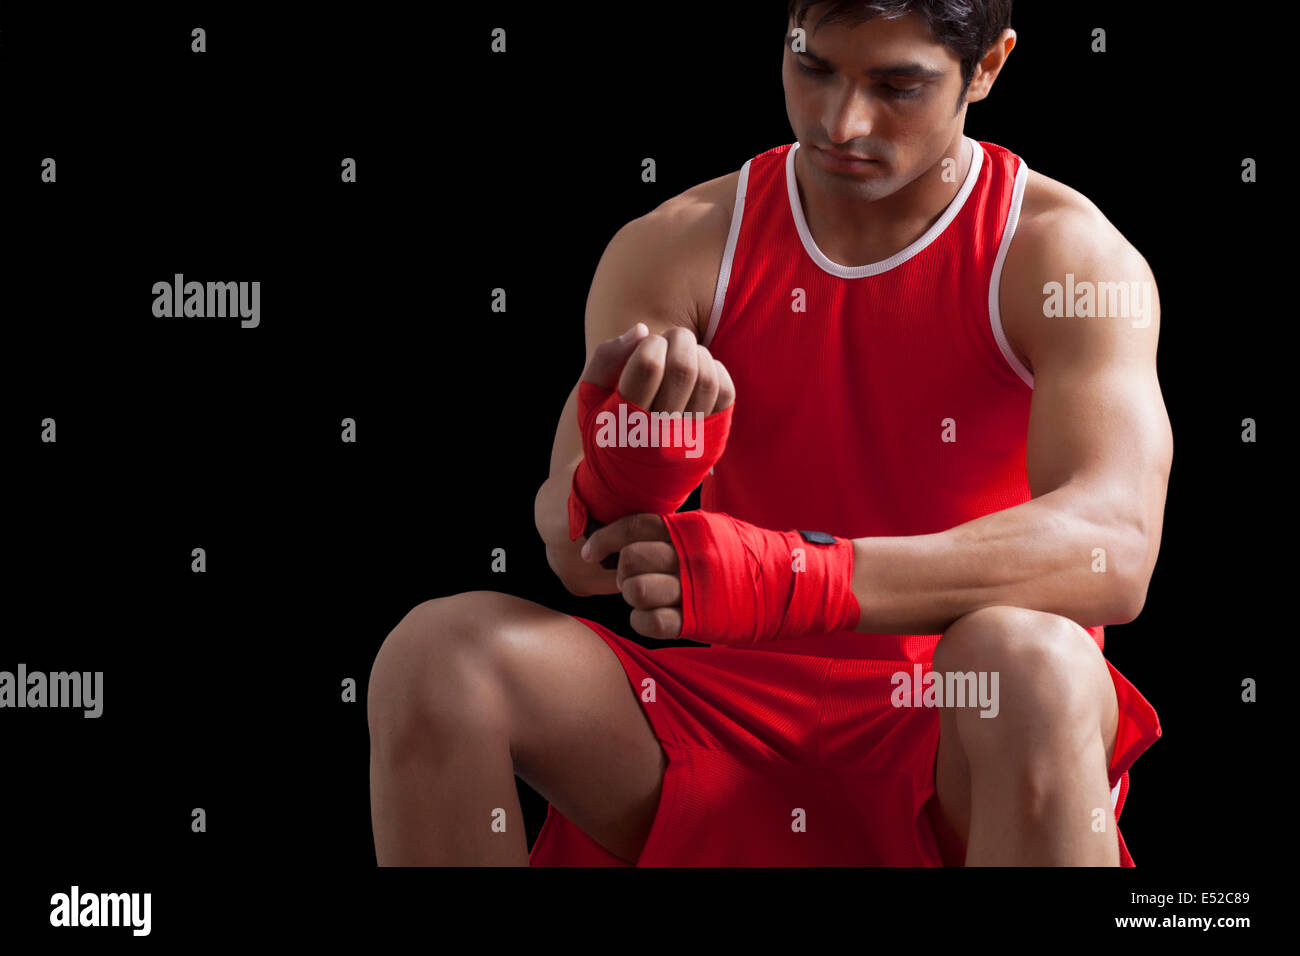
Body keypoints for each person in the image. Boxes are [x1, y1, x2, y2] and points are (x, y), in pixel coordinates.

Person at [367, 0, 1170, 866]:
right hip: (728, 716)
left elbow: (1113, 552)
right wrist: (629, 478)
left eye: (898, 85)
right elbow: (575, 558)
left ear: (988, 69)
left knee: (1032, 661)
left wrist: (802, 575)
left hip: (958, 720)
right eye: (814, 67)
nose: (840, 122)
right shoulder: (678, 244)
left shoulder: (1064, 256)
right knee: (438, 653)